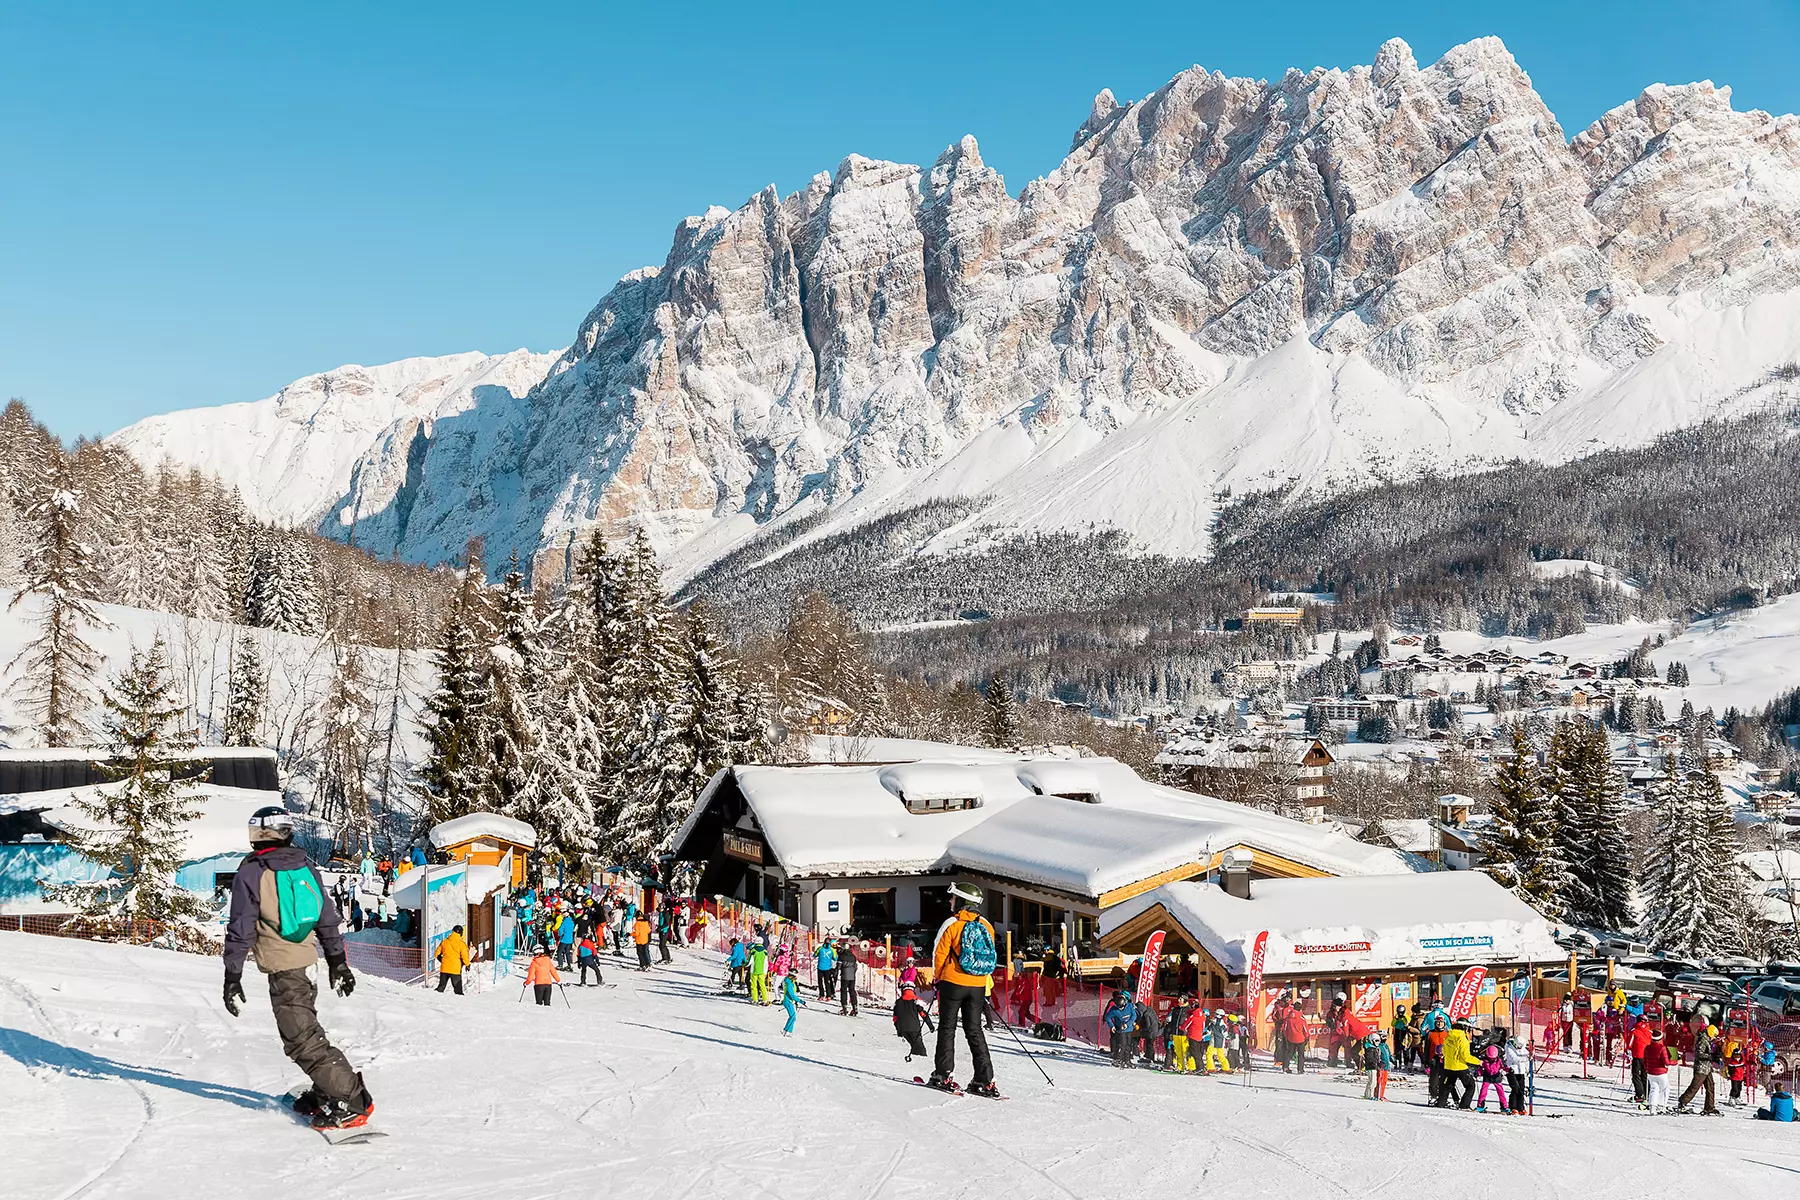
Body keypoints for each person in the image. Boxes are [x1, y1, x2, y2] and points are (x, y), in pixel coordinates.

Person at [223, 806, 371, 1130]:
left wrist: (232, 976)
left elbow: (241, 927)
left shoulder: (251, 871)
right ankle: (325, 1092)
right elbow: (326, 916)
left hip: (285, 969)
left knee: (301, 1040)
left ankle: (353, 1100)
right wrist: (337, 962)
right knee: (308, 1031)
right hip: (307, 965)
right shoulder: (304, 863)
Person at [929, 882, 999, 1095]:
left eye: (953, 898)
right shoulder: (986, 925)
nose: (950, 902)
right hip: (977, 985)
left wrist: (938, 978)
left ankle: (943, 1074)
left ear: (961, 900)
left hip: (952, 983)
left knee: (947, 1028)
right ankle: (984, 1079)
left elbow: (939, 954)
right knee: (974, 1030)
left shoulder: (952, 923)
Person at [1677, 1023, 1722, 1115]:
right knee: (1695, 1086)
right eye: (1714, 1035)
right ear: (1710, 1033)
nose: (1714, 1038)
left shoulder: (1707, 1039)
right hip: (1701, 1068)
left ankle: (1709, 1107)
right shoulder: (1702, 1039)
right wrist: (1711, 1056)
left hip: (1707, 1068)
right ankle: (1682, 1101)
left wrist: (1715, 1054)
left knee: (1710, 1087)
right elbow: (1699, 1054)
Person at [1441, 1020, 1477, 1109]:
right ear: (1464, 1028)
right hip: (1460, 1067)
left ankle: (1440, 1104)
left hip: (1448, 1066)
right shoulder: (1462, 1038)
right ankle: (1464, 1105)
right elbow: (1466, 1057)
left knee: (1448, 1086)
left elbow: (1444, 1051)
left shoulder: (1448, 1036)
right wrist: (1479, 1062)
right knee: (1470, 1085)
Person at [894, 985, 935, 1060]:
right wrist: (930, 1026)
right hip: (914, 1029)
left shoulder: (898, 1002)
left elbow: (895, 1018)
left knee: (914, 1046)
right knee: (920, 1049)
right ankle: (921, 1064)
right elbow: (923, 1014)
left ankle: (913, 1063)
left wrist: (899, 1030)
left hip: (903, 1029)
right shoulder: (915, 1001)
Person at [1104, 989, 1138, 1068]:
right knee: (1122, 1045)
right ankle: (1118, 1060)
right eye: (1118, 1008)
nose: (1120, 1009)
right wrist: (1112, 1026)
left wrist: (1128, 1024)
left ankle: (1127, 1060)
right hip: (1120, 1030)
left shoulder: (1130, 1006)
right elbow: (1108, 1017)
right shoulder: (1114, 1010)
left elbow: (1134, 1016)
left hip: (1129, 1029)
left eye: (1121, 1008)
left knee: (1128, 1046)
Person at [435, 923, 470, 994]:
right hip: (455, 969)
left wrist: (442, 961)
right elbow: (465, 956)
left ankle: (433, 1001)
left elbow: (436, 954)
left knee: (440, 988)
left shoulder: (445, 941)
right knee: (458, 990)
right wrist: (467, 965)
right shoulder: (462, 944)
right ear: (461, 933)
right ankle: (459, 1003)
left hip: (444, 968)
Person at [1644, 1028, 1673, 1114]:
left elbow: (1645, 1060)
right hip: (1661, 1072)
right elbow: (1666, 1062)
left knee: (1654, 1089)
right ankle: (1662, 1107)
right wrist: (1674, 1062)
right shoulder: (1662, 1048)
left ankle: (1652, 1108)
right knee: (1665, 1089)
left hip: (1651, 1072)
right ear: (1660, 1039)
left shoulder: (1647, 1047)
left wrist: (1647, 1069)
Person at [1475, 1040, 1507, 1111]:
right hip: (1487, 1077)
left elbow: (1504, 1067)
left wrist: (1509, 1070)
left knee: (1501, 1092)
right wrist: (1478, 1073)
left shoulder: (1499, 1060)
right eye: (1490, 1058)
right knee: (1483, 1092)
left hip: (1496, 1077)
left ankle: (1504, 1107)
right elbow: (1480, 1068)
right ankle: (1480, 1106)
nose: (1491, 1060)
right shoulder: (1484, 1061)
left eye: (1493, 1058)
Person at [1279, 1001, 1310, 1074]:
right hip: (1300, 1038)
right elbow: (1305, 1029)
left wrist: (1287, 1036)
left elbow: (1285, 1029)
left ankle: (1285, 1067)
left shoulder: (1288, 1018)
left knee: (1289, 1053)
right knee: (1301, 1054)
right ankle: (1300, 1069)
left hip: (1291, 1038)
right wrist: (1307, 1037)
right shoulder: (1301, 1018)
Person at [1503, 1034, 1529, 1115]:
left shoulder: (1523, 1047)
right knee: (1515, 1089)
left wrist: (1527, 1069)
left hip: (1521, 1071)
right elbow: (1515, 1058)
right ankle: (1512, 1107)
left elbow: (1526, 1056)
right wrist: (1527, 1057)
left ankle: (1521, 1107)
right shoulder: (1509, 1047)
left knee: (1521, 1089)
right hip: (1511, 1070)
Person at [1362, 1031, 1391, 1100]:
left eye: (1379, 1041)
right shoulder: (1370, 1049)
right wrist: (1377, 1063)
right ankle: (1369, 1096)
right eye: (1376, 1041)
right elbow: (1370, 1059)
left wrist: (1380, 1062)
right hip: (1371, 1067)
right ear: (1372, 1041)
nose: (1378, 1042)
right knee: (1372, 1083)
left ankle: (1368, 1095)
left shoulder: (1375, 1048)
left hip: (1374, 1067)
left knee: (1372, 1082)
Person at [780, 971, 806, 1036]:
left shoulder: (790, 982)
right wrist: (800, 1001)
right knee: (792, 1016)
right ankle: (786, 1031)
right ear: (792, 976)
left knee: (793, 1017)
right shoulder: (789, 983)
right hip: (787, 1001)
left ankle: (788, 1031)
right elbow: (792, 995)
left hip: (789, 1001)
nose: (796, 977)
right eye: (796, 976)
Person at [838, 941, 860, 1015]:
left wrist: (835, 973)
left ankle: (844, 1007)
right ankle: (855, 1006)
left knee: (844, 991)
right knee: (852, 991)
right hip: (852, 977)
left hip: (845, 976)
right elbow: (855, 967)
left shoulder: (842, 956)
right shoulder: (853, 957)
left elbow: (838, 966)